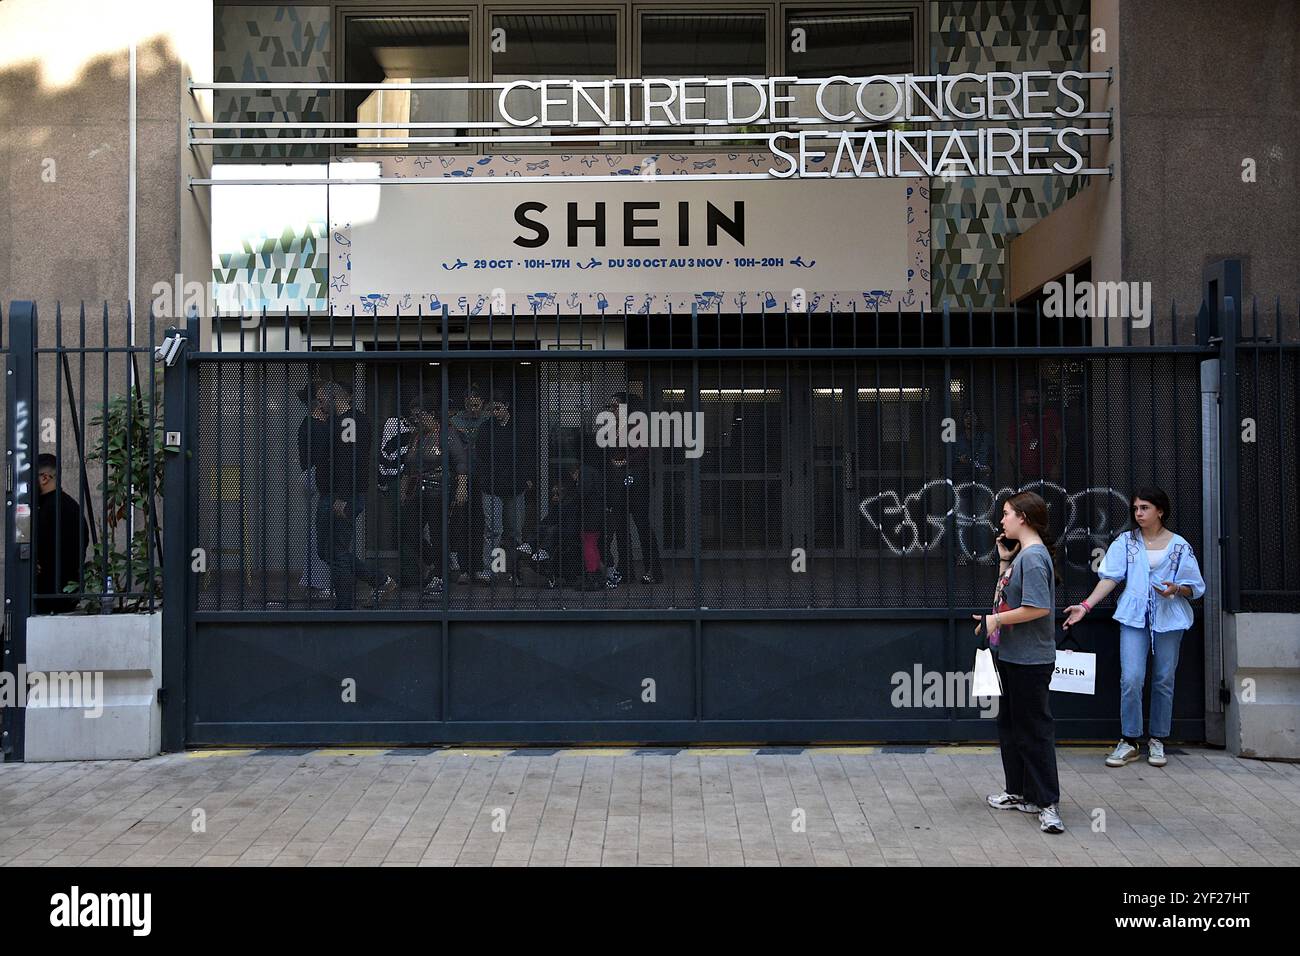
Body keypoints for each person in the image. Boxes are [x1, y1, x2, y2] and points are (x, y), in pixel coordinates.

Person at [1063, 487, 1205, 768]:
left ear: (1160, 510)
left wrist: (1176, 588)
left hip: (1169, 618)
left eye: (1145, 508)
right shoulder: (1126, 542)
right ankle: (1129, 739)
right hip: (1133, 616)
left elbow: (1196, 587)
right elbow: (1110, 578)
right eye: (1136, 509)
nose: (1139, 513)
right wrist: (1086, 606)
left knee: (1164, 678)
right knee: (1131, 678)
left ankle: (1158, 738)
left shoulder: (1179, 545)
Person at [975, 490, 1065, 834]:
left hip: (1031, 659)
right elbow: (1003, 599)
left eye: (1007, 513)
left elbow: (1039, 608)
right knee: (1011, 728)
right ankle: (1019, 791)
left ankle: (1046, 803)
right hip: (1013, 655)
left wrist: (995, 621)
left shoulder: (1035, 558)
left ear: (1023, 518)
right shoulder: (1021, 557)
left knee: (1034, 731)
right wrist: (1002, 561)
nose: (1002, 520)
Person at [309, 380, 396, 609]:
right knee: (328, 550)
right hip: (333, 493)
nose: (318, 405)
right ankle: (378, 581)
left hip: (342, 495)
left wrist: (344, 497)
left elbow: (351, 461)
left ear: (333, 398)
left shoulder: (350, 421)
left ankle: (346, 604)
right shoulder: (337, 421)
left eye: (320, 400)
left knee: (335, 550)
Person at [601, 392, 663, 585]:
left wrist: (625, 460)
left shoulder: (637, 424)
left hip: (636, 479)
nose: (611, 410)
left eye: (615, 406)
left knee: (642, 525)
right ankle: (626, 569)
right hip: (618, 480)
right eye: (609, 406)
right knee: (620, 527)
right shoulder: (612, 426)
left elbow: (644, 449)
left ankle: (652, 569)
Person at [477, 389, 533, 584]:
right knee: (494, 530)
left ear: (507, 407)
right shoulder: (486, 428)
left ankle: (513, 571)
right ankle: (491, 570)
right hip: (493, 485)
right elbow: (481, 457)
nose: (495, 412)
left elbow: (527, 454)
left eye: (498, 408)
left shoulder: (520, 428)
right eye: (492, 409)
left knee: (514, 531)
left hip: (515, 485)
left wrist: (526, 477)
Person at [34, 454, 89, 613]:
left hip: (48, 599)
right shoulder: (67, 506)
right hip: (59, 597)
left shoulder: (53, 509)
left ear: (44, 478)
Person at [297, 382, 334, 602]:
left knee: (319, 531)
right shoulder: (316, 426)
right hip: (317, 477)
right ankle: (320, 582)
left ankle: (314, 579)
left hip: (311, 476)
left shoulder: (308, 424)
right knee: (323, 532)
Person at [954, 408, 994, 562]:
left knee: (982, 521)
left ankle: (983, 556)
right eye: (966, 417)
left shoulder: (985, 438)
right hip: (963, 482)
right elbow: (950, 461)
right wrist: (960, 462)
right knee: (962, 521)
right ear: (962, 421)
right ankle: (962, 554)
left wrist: (991, 467)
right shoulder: (957, 439)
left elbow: (994, 456)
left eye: (973, 417)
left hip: (981, 481)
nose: (970, 420)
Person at [1006, 384, 1061, 484]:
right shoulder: (1018, 421)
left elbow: (1061, 441)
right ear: (1023, 400)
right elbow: (1012, 449)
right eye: (1031, 398)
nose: (1034, 401)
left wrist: (1056, 466)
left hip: (1049, 470)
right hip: (1027, 473)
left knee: (1050, 498)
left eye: (1036, 397)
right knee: (1029, 499)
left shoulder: (1050, 415)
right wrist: (1018, 472)